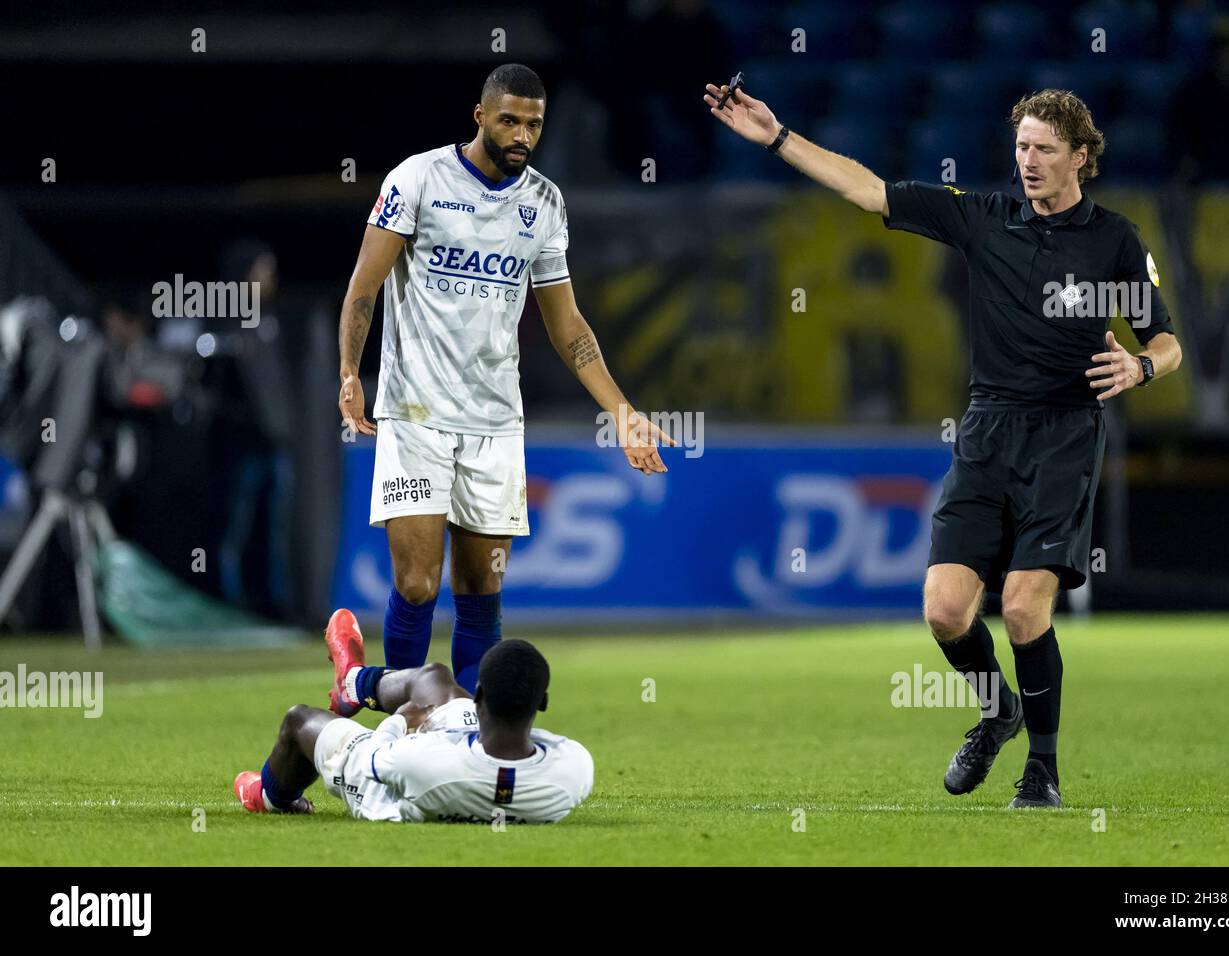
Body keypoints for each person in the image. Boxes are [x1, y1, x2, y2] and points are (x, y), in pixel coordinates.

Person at [705, 82, 1181, 808]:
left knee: (1024, 608)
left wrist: (1143, 365)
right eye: (1021, 146)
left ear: (1081, 157)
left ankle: (1043, 771)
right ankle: (999, 710)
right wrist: (777, 137)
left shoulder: (1114, 239)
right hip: (987, 431)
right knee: (945, 611)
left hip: (1062, 435)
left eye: (1045, 150)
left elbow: (1167, 340)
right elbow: (869, 191)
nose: (1028, 160)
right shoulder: (982, 218)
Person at [336, 63, 673, 695]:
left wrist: (621, 411)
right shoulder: (418, 179)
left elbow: (567, 326)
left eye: (534, 125)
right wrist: (351, 372)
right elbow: (364, 288)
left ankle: (454, 726)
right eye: (510, 121)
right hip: (415, 415)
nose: (522, 135)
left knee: (482, 586)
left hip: (495, 422)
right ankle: (401, 727)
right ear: (481, 116)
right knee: (416, 583)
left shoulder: (544, 204)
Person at [233, 609, 592, 823]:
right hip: (465, 750)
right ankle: (354, 682)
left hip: (389, 787)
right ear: (542, 703)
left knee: (298, 720)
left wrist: (402, 720)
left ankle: (270, 795)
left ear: (479, 695)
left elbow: (378, 756)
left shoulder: (422, 761)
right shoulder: (574, 769)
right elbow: (530, 751)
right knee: (434, 677)